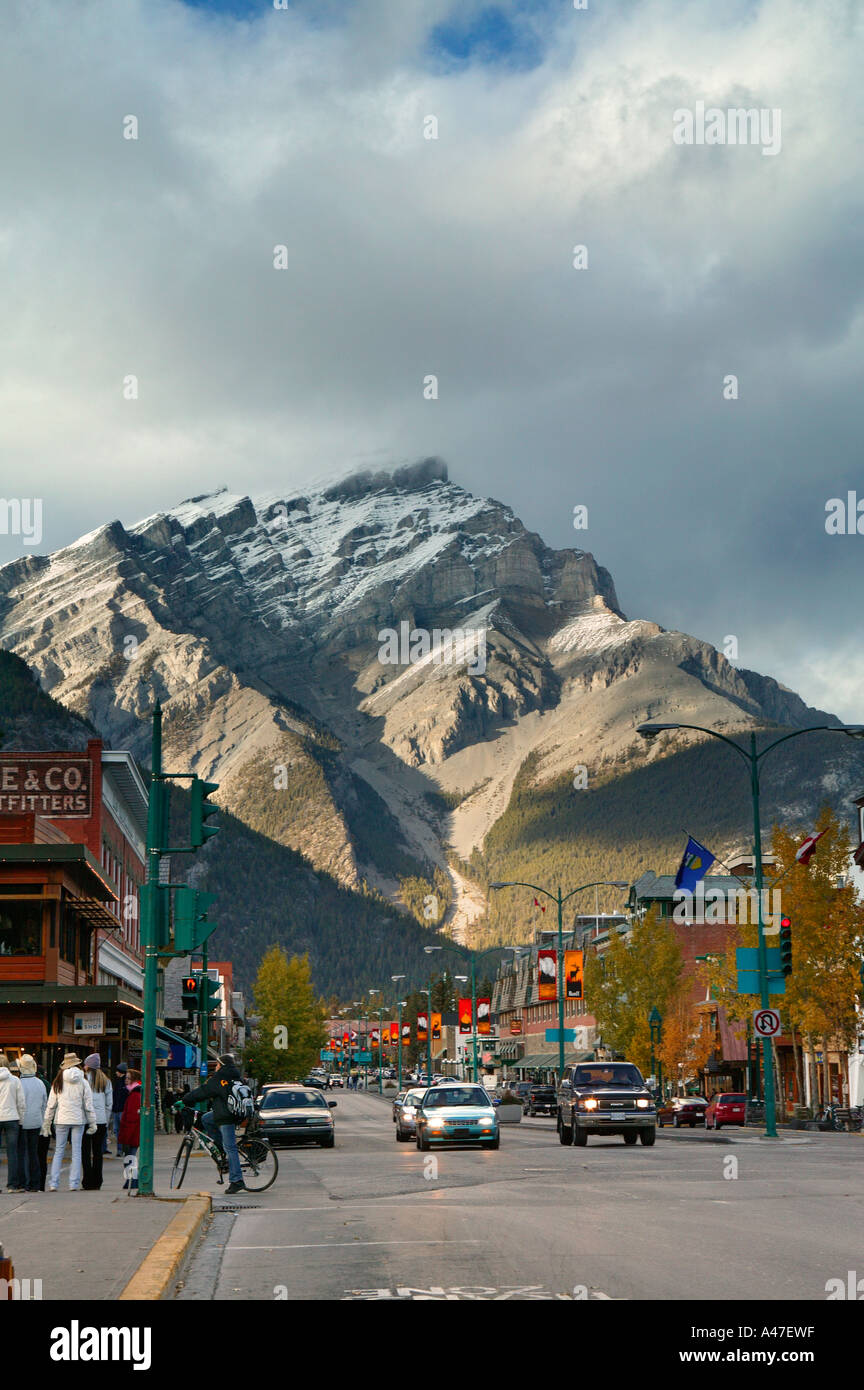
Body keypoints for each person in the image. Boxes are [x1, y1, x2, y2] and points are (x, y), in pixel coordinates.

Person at [177, 1054, 245, 1195]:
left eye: (218, 1064)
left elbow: (203, 1091)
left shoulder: (219, 1077)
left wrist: (185, 1100)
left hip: (226, 1116)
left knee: (230, 1148)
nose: (216, 1067)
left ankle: (237, 1180)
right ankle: (220, 1145)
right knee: (206, 1118)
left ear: (222, 1065)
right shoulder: (237, 1077)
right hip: (233, 1113)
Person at [41, 1054, 97, 1192]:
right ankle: (73, 1184)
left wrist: (47, 1123)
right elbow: (88, 1105)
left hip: (61, 1119)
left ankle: (54, 1183)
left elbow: (51, 1105)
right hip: (78, 1119)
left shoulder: (58, 1081)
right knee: (76, 1152)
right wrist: (92, 1123)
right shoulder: (83, 1081)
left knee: (59, 1151)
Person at [81, 1054, 112, 1190]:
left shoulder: (83, 1080)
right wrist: (105, 1120)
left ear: (88, 1066)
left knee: (85, 1151)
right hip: (101, 1120)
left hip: (86, 1120)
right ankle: (97, 1180)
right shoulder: (106, 1081)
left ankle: (87, 1180)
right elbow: (109, 1104)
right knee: (98, 1151)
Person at [16, 1055, 46, 1193]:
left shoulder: (18, 1083)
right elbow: (44, 1104)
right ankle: (35, 1183)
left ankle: (24, 1182)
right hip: (36, 1121)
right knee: (33, 1153)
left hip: (22, 1122)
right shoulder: (40, 1083)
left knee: (22, 1153)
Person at [0, 1053, 26, 1192]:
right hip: (12, 1118)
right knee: (12, 1153)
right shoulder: (15, 1080)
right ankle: (12, 1184)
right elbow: (21, 1102)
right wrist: (21, 1119)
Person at [118, 1070, 142, 1191]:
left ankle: (132, 1181)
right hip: (132, 1131)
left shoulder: (134, 1095)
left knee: (129, 1158)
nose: (126, 1080)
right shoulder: (134, 1094)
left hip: (131, 1132)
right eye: (126, 1078)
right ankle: (132, 1180)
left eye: (128, 1078)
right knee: (130, 1157)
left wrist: (126, 1135)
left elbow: (132, 1118)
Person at [110, 1063, 128, 1155]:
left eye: (117, 1071)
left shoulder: (122, 1082)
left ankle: (121, 1149)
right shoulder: (121, 1082)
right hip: (119, 1109)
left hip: (119, 1109)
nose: (116, 1072)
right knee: (119, 1130)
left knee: (119, 1130)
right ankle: (121, 1149)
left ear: (120, 1072)